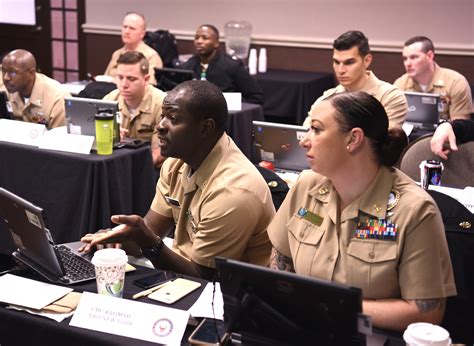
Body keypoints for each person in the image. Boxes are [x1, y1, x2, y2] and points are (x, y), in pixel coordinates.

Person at [269, 91, 456, 332]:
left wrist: (334, 305)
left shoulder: (414, 210)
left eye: (316, 130)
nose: (304, 140)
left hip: (370, 335)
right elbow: (280, 260)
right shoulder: (306, 186)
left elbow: (427, 313)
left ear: (353, 139)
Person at [81, 80, 275, 279]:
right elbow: (152, 230)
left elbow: (204, 278)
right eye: (162, 116)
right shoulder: (176, 163)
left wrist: (148, 243)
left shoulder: (233, 191)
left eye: (173, 119)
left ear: (205, 128)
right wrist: (120, 239)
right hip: (185, 270)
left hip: (230, 295)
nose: (160, 126)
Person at [303, 31, 407, 129]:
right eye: (336, 62)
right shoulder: (327, 97)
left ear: (367, 60)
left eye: (349, 62)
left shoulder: (391, 97)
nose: (340, 70)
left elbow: (383, 143)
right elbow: (306, 135)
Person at [103, 51, 166, 166]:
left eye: (131, 79)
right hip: (118, 166)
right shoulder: (110, 99)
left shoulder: (161, 104)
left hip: (151, 171)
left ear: (146, 79)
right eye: (120, 77)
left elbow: (159, 153)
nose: (123, 84)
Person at [180, 24, 264, 105]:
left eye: (205, 38)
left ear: (216, 43)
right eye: (196, 38)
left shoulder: (232, 66)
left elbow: (256, 97)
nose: (199, 41)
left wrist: (234, 103)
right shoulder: (187, 66)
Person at [394, 36, 473, 121]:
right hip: (409, 133)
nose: (408, 63)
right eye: (405, 59)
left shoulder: (456, 82)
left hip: (445, 133)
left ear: (430, 56)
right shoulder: (400, 84)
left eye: (414, 57)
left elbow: (460, 127)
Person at [1, 49, 70, 129]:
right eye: (3, 71)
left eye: (13, 73)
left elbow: (60, 138)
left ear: (31, 73)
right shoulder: (4, 91)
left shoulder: (57, 99)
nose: (5, 78)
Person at [104, 12, 163, 85]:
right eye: (125, 27)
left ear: (142, 34)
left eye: (132, 28)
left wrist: (114, 81)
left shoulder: (151, 56)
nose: (126, 31)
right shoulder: (117, 54)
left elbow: (149, 87)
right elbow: (104, 80)